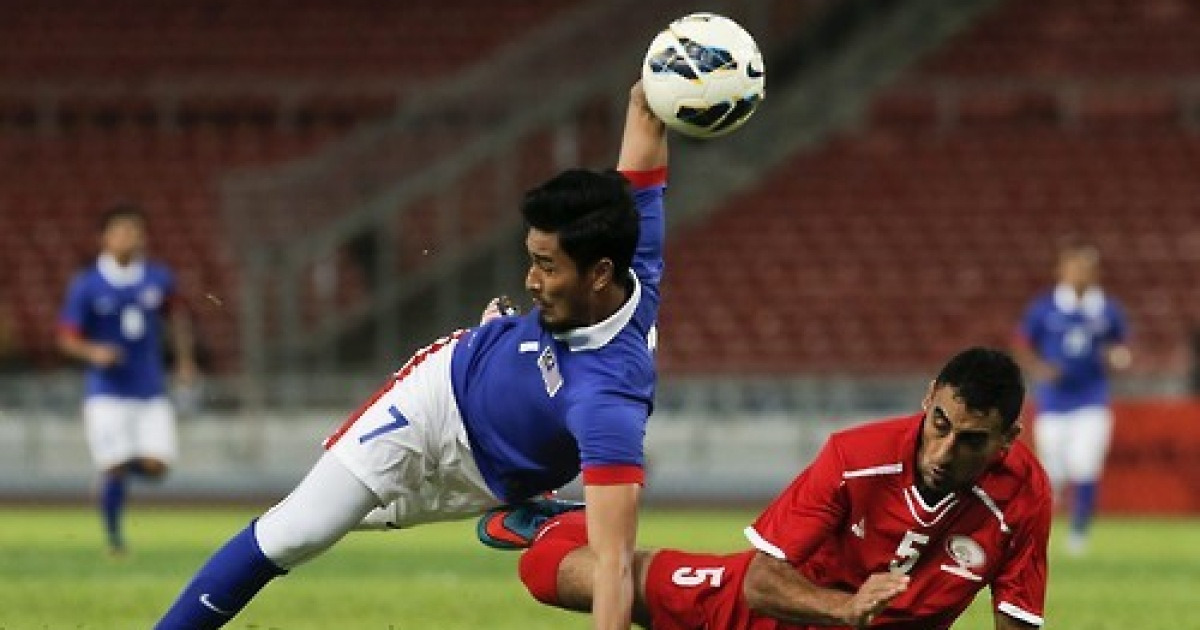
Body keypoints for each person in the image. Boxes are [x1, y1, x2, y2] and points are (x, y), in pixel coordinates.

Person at [154, 81, 668, 630]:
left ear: (600, 273)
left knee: (326, 519)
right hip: (436, 402)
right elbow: (645, 115)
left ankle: (527, 510)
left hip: (486, 479)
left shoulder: (606, 403)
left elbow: (613, 566)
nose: (531, 279)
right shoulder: (634, 246)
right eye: (532, 258)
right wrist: (665, 77)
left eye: (547, 266)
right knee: (296, 532)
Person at [486, 348, 1051, 630]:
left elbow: (1017, 617)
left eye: (972, 440)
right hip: (770, 610)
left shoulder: (1025, 498)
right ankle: (566, 522)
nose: (944, 453)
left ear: (1008, 439)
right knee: (543, 572)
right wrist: (845, 608)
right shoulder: (856, 457)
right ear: (928, 400)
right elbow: (760, 582)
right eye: (940, 425)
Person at [57, 203, 199, 555]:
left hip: (150, 389)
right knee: (116, 465)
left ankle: (107, 477)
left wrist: (184, 360)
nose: (128, 237)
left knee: (156, 467)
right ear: (103, 238)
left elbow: (177, 318)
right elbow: (66, 337)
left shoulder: (158, 278)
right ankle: (115, 540)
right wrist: (94, 353)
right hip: (106, 392)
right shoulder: (87, 284)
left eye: (135, 230)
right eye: (120, 231)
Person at [1013, 237, 1130, 555]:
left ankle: (1079, 532)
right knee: (1053, 470)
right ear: (1061, 270)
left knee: (1086, 464)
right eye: (1074, 267)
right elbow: (1022, 344)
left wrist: (1118, 356)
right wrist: (1039, 368)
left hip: (1092, 398)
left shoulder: (1108, 308)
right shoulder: (1044, 307)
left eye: (1086, 268)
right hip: (1053, 400)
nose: (1080, 273)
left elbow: (1120, 345)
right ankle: (1040, 529)